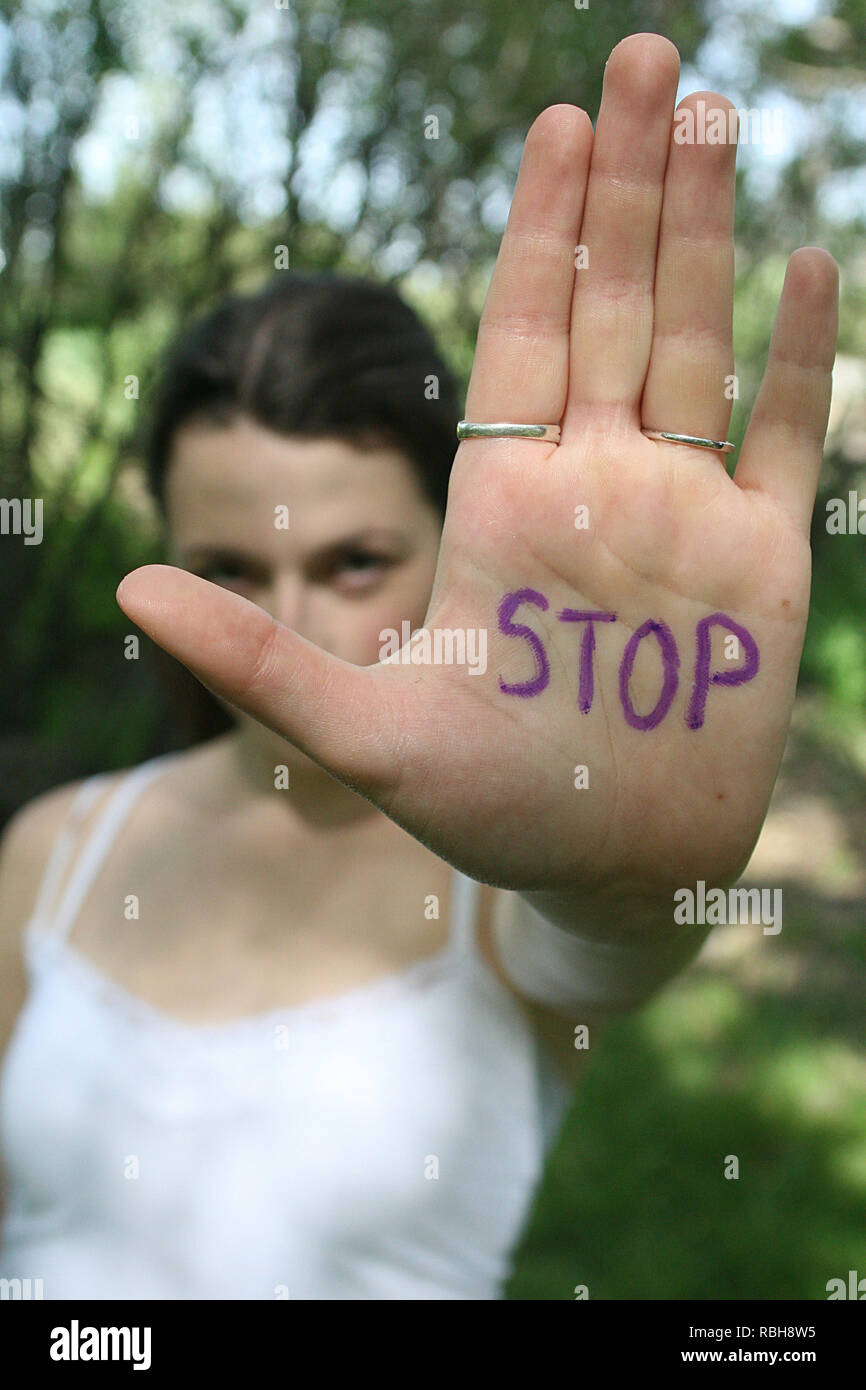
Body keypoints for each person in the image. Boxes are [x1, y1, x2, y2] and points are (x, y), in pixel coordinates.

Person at [0, 33, 838, 1300]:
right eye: (228, 564)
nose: (290, 623)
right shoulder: (53, 852)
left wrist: (627, 874)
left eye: (354, 561)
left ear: (455, 540)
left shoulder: (504, 880)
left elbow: (604, 938)